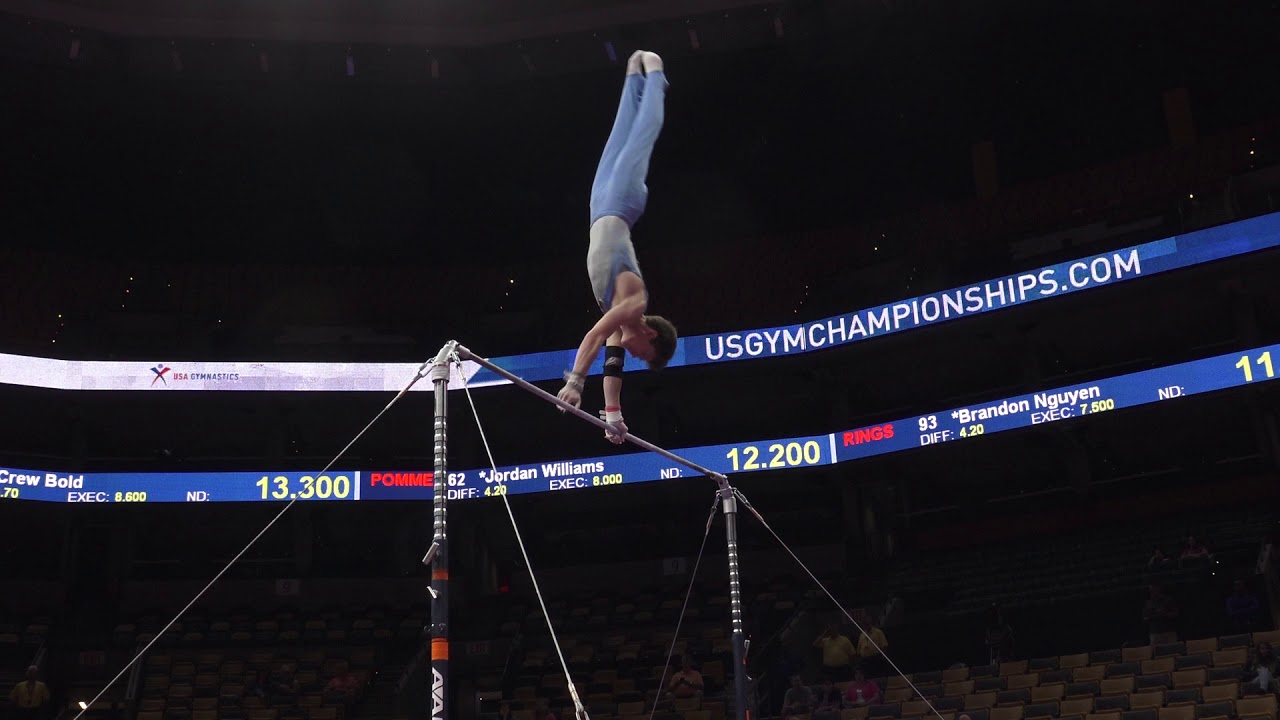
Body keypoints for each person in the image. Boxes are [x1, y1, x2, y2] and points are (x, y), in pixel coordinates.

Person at [557, 50, 679, 443]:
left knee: (618, 132)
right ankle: (656, 76)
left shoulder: (621, 322)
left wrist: (615, 416)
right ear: (652, 336)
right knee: (644, 132)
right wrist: (574, 382)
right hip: (623, 202)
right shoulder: (634, 304)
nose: (636, 356)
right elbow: (593, 337)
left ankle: (632, 77)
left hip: (598, 206)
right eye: (644, 355)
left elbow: (612, 367)